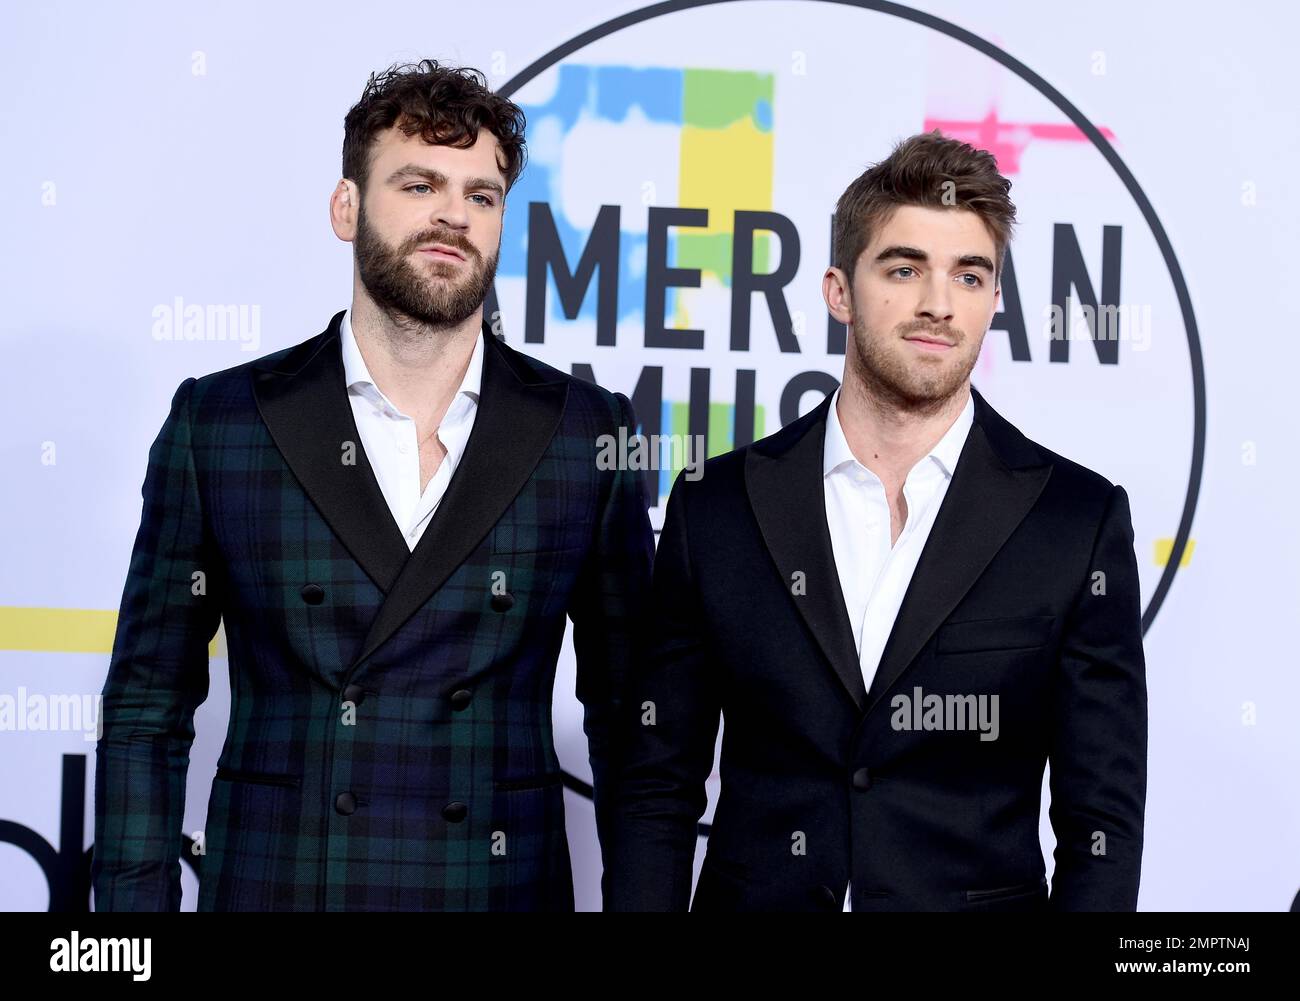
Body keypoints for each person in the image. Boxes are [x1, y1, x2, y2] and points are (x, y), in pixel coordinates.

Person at [93, 59, 653, 911]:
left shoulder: (586, 433)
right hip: (283, 889)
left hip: (493, 889)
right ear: (345, 207)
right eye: (419, 183)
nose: (452, 217)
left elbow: (632, 725)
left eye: (482, 195)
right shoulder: (224, 423)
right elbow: (145, 708)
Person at [606, 130, 1146, 912]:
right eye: (904, 269)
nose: (937, 303)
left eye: (969, 274)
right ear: (839, 291)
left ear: (995, 299)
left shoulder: (1076, 520)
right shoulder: (716, 506)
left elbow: (1102, 824)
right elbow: (657, 788)